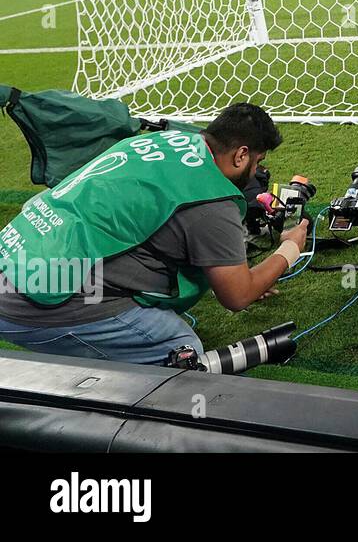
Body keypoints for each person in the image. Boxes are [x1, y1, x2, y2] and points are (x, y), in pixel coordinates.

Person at [0, 103, 308, 366]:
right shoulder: (212, 198)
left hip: (14, 261)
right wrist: (289, 250)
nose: (256, 172)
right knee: (181, 350)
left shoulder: (155, 142)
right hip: (35, 303)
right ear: (241, 155)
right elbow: (237, 295)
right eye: (258, 162)